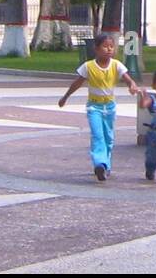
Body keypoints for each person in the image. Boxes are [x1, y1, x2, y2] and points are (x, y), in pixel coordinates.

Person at [57, 33, 138, 181]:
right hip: (94, 107)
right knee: (97, 135)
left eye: (111, 47)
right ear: (96, 49)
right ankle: (99, 163)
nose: (109, 49)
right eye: (105, 46)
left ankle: (105, 164)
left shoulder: (116, 65)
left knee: (108, 137)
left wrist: (132, 86)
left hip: (109, 107)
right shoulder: (88, 67)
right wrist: (65, 97)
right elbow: (77, 83)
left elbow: (128, 79)